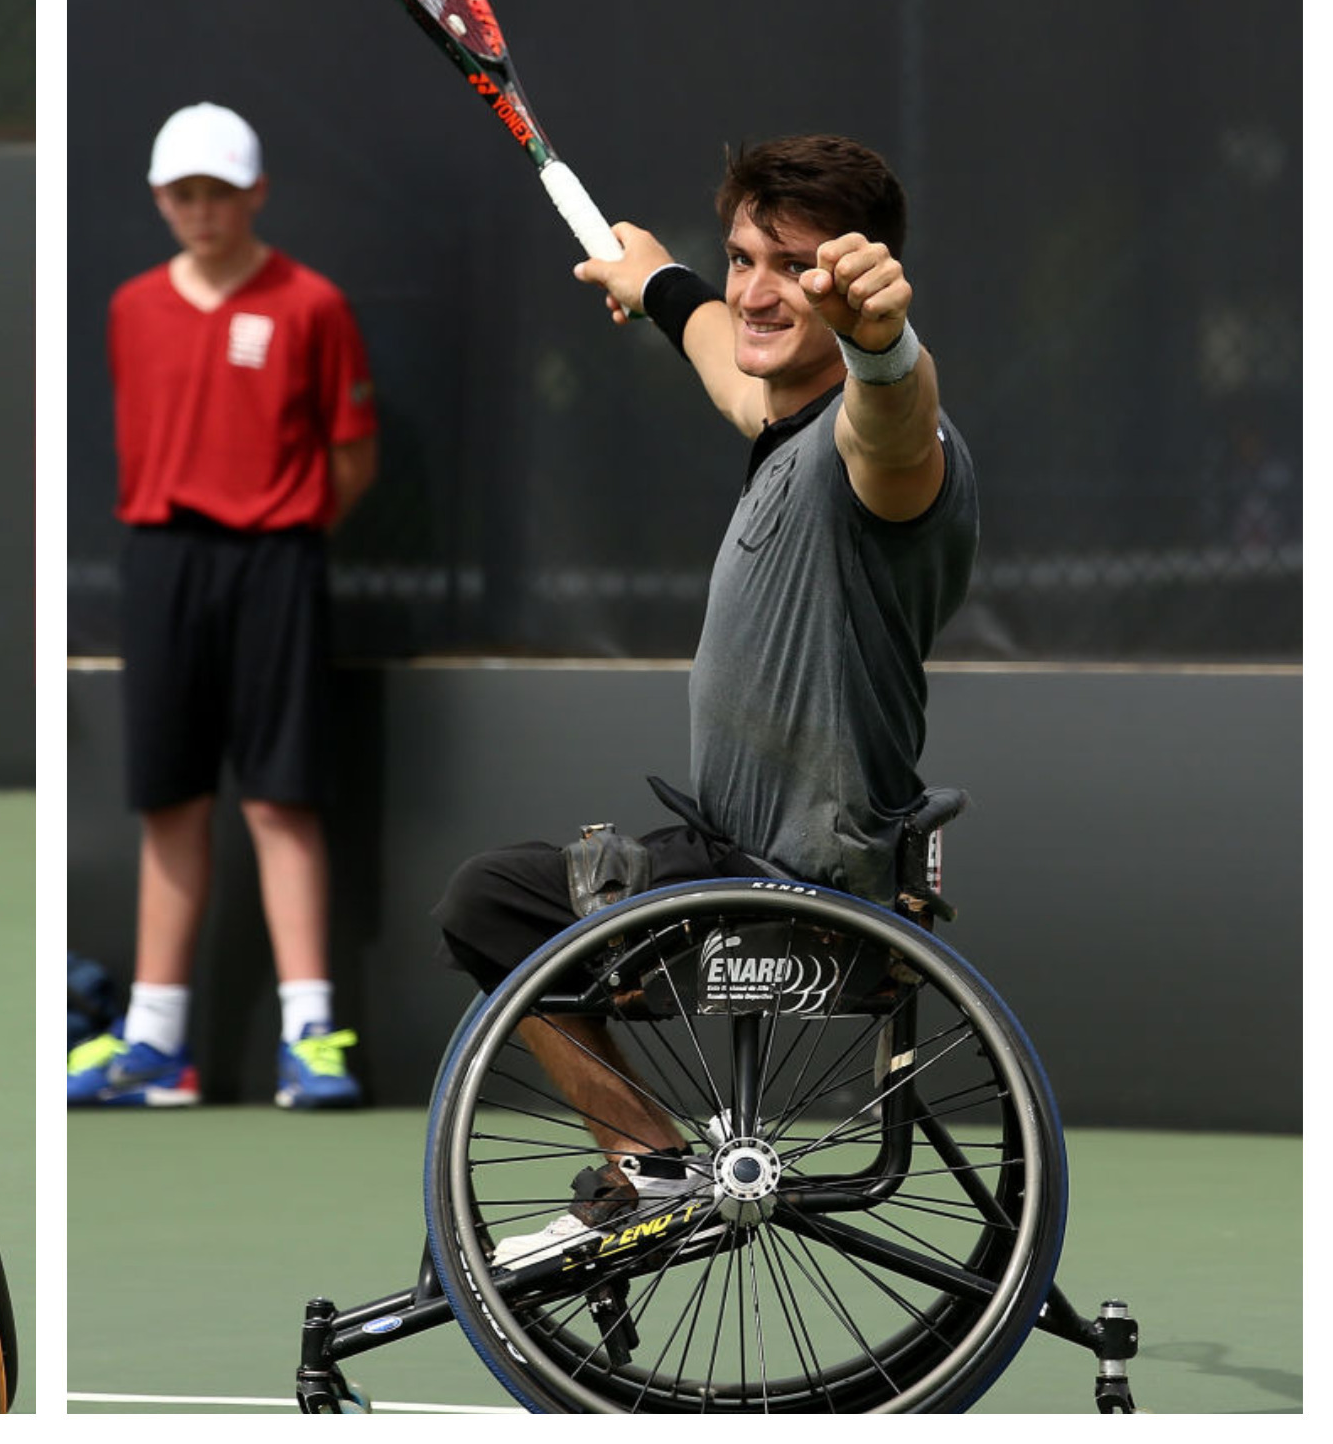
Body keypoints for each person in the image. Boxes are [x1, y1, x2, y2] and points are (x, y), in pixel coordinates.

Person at [430, 133, 977, 1266]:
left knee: (491, 902)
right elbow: (729, 362)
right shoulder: (782, 420)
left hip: (790, 876)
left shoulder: (880, 450)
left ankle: (649, 1164)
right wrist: (663, 282)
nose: (758, 293)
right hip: (747, 854)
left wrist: (884, 345)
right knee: (512, 898)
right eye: (742, 260)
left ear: (852, 278)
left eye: (796, 267)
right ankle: (652, 1165)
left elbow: (892, 417)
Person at [67, 102, 379, 1111]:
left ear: (256, 194)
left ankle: (309, 1034)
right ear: (161, 199)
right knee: (170, 801)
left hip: (278, 565)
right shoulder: (131, 307)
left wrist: (281, 534)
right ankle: (156, 1043)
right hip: (162, 566)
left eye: (219, 191)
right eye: (183, 193)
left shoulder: (312, 305)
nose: (201, 209)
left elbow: (351, 457)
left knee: (281, 801)